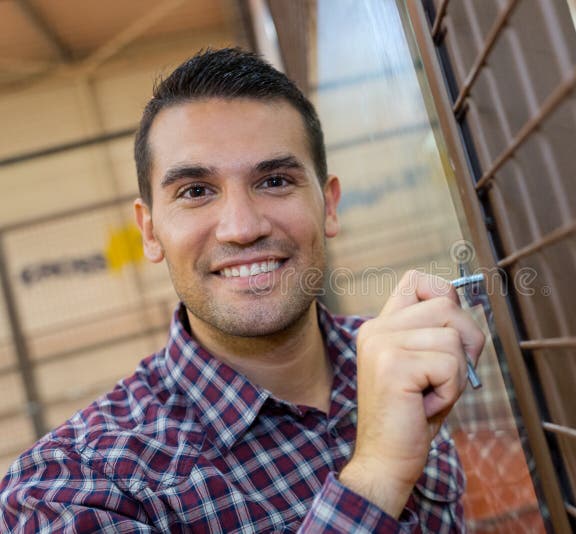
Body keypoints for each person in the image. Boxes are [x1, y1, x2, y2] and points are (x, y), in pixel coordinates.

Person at [0, 48, 484, 533]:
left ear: (329, 205)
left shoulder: (400, 362)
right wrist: (377, 475)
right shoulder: (69, 487)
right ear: (150, 232)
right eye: (195, 191)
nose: (241, 227)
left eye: (274, 181)